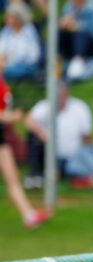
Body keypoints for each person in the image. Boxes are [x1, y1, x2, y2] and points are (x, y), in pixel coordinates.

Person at [0, 61, 48, 227]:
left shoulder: (2, 81)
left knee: (12, 178)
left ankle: (28, 214)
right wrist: (10, 117)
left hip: (1, 136)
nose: (3, 62)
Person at [24, 81, 93, 184]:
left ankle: (60, 174)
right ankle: (36, 174)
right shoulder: (45, 106)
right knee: (33, 137)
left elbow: (87, 137)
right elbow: (28, 121)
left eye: (62, 94)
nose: (60, 98)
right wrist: (42, 133)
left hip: (72, 157)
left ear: (67, 93)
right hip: (49, 155)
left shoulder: (79, 108)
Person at [58, 0, 93, 82]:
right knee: (61, 32)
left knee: (80, 32)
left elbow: (92, 30)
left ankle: (78, 61)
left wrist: (74, 25)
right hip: (75, 41)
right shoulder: (69, 7)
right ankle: (58, 60)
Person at [0, 1, 41, 82]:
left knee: (5, 72)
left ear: (17, 18)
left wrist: (8, 58)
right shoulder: (6, 31)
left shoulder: (29, 31)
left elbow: (33, 56)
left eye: (9, 17)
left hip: (26, 67)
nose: (6, 20)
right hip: (7, 65)